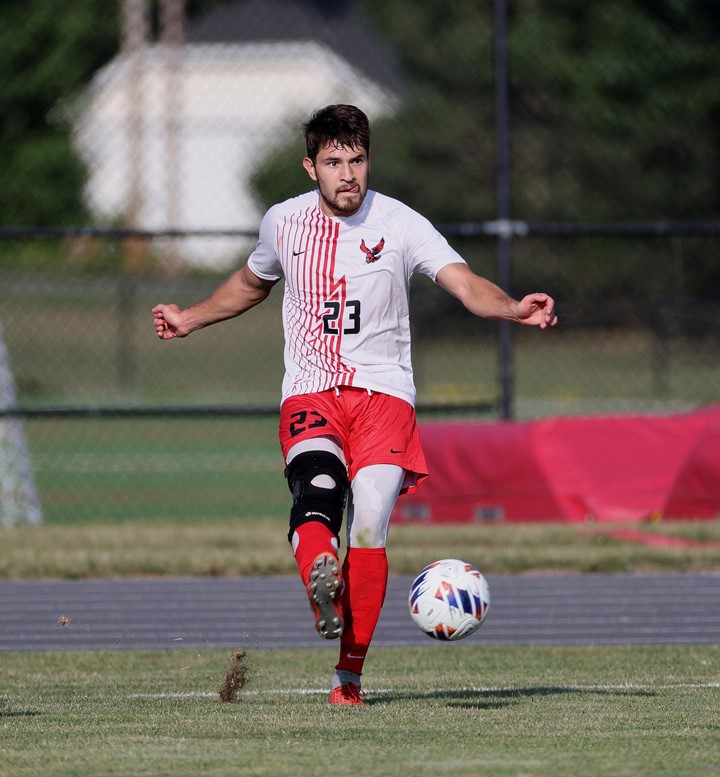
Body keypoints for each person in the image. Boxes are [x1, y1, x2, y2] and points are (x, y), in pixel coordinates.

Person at [153, 104, 557, 706]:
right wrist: (190, 317)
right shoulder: (283, 223)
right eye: (334, 162)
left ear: (369, 160)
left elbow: (465, 283)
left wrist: (510, 307)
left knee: (368, 527)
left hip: (384, 398)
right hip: (312, 391)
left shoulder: (399, 223)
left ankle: (349, 677)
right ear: (310, 166)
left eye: (358, 160)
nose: (348, 174)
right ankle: (322, 578)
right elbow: (250, 283)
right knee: (317, 488)